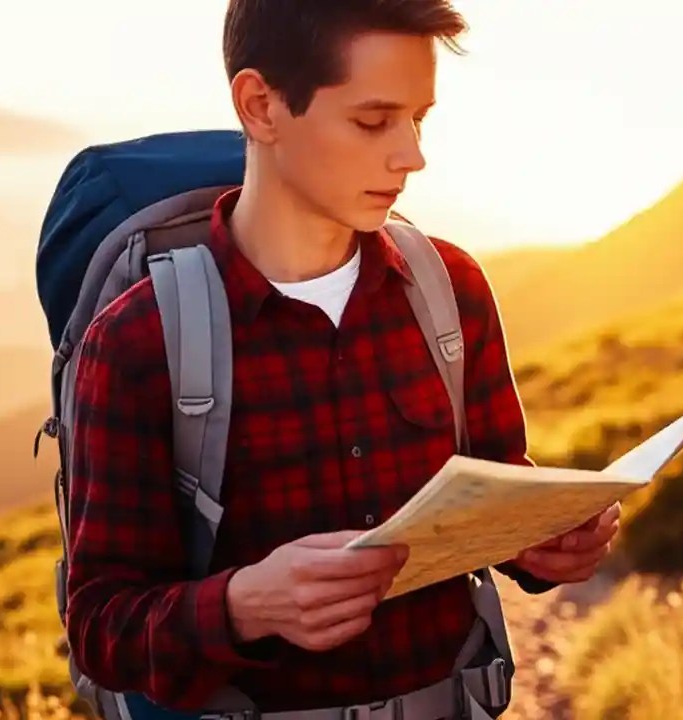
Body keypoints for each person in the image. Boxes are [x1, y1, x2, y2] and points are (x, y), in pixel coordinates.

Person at [63, 0, 621, 715]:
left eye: (419, 119)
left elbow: (496, 484)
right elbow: (102, 627)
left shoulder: (451, 291)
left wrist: (542, 542)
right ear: (261, 106)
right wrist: (243, 605)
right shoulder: (139, 343)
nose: (411, 156)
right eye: (372, 120)